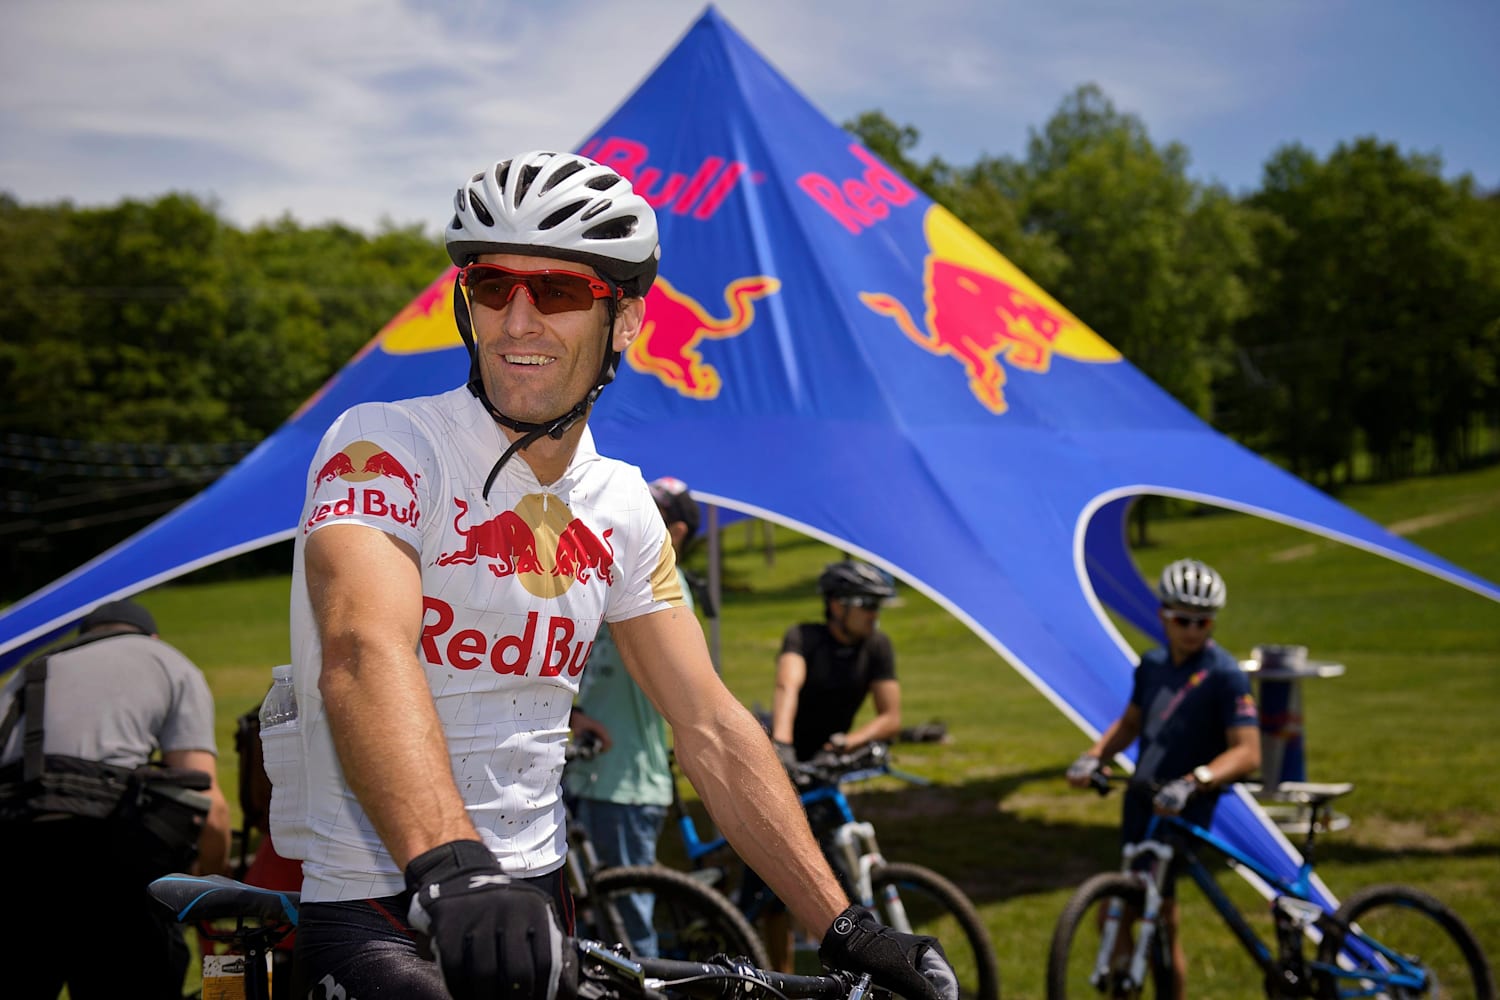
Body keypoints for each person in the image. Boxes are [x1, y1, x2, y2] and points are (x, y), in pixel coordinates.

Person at [273, 150, 958, 1000]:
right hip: (380, 898)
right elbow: (362, 650)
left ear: (625, 319)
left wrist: (847, 927)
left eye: (558, 292)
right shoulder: (384, 445)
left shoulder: (622, 503)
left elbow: (707, 724)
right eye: (492, 287)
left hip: (533, 893)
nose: (517, 322)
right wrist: (453, 864)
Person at [0, 598, 232, 1000]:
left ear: (86, 637)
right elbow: (210, 806)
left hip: (16, 851)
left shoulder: (29, 672)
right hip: (112, 856)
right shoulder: (169, 663)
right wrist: (209, 889)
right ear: (150, 637)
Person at [1066, 558, 1261, 999]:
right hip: (1141, 801)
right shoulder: (1151, 665)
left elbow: (1248, 752)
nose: (1192, 630)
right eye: (1182, 619)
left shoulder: (1225, 674)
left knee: (1159, 918)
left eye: (1202, 621)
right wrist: (1094, 756)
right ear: (1163, 616)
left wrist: (1196, 780)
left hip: (1182, 808)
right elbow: (1131, 723)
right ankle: (1126, 983)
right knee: (1120, 911)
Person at [565, 475, 700, 957]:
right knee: (589, 923)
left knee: (628, 929)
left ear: (676, 532)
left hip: (626, 785)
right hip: (587, 777)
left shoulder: (663, 585)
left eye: (651, 516)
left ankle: (648, 989)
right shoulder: (616, 580)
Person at [771, 559, 903, 764]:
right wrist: (782, 746)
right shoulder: (803, 637)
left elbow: (891, 718)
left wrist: (845, 743)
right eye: (867, 604)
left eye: (877, 606)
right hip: (784, 744)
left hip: (831, 753)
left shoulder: (877, 645)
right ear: (837, 606)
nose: (874, 614)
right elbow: (786, 686)